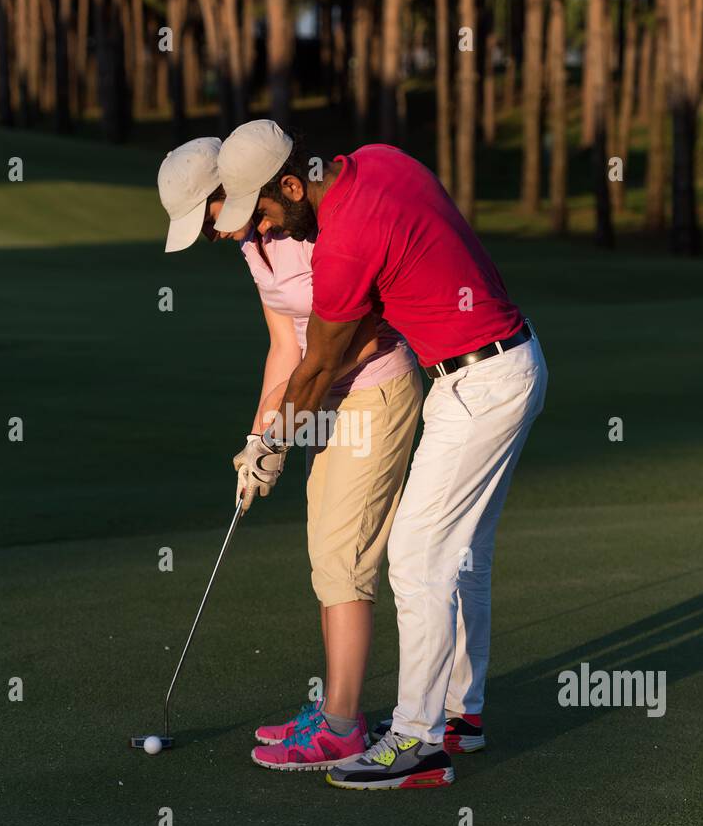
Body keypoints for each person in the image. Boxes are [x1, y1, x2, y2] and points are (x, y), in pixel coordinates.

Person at [218, 122, 547, 790]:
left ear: (290, 183)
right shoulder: (381, 158)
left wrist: (270, 446)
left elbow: (317, 367)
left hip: (478, 386)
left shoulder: (341, 245)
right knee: (462, 556)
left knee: (416, 557)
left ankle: (417, 742)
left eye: (268, 214)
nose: (270, 230)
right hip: (512, 359)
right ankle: (462, 714)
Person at [157, 134, 422, 771]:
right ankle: (337, 711)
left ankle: (341, 729)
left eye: (209, 218)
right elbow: (285, 346)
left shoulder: (310, 229)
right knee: (323, 555)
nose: (211, 234)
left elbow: (360, 337)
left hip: (373, 389)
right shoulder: (257, 245)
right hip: (317, 400)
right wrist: (259, 438)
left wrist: (284, 430)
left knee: (345, 555)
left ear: (233, 194)